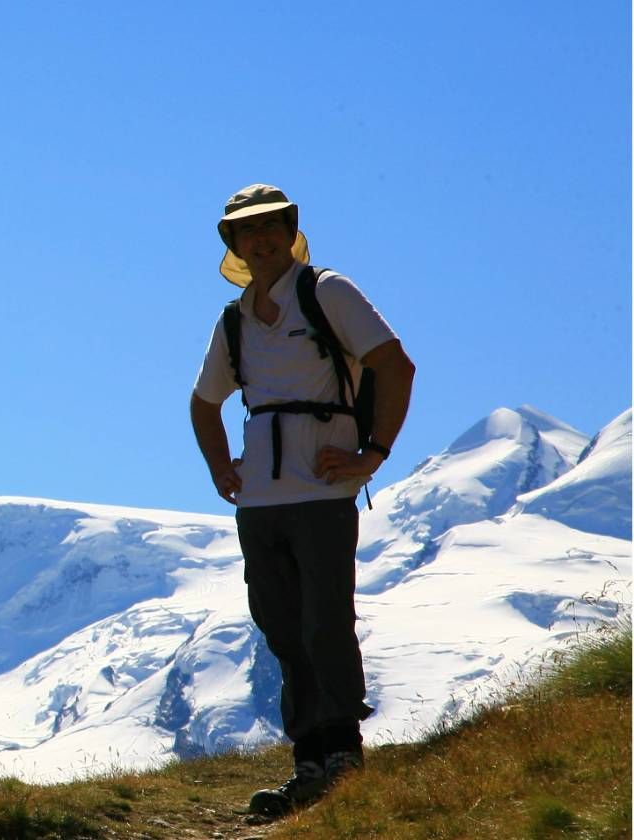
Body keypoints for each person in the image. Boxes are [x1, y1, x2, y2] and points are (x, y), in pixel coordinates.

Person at [187, 184, 416, 817]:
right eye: (246, 231)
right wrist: (221, 469)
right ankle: (310, 759)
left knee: (324, 620)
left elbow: (395, 365)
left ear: (290, 232)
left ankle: (341, 753)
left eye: (270, 227)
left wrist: (372, 455)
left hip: (321, 488)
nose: (259, 239)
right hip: (260, 497)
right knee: (282, 625)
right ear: (233, 244)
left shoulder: (327, 292)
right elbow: (204, 403)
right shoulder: (234, 319)